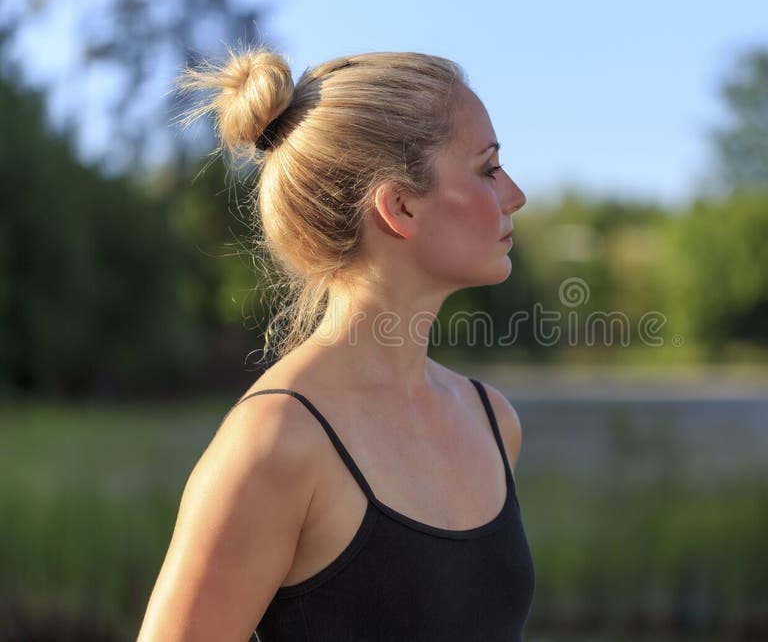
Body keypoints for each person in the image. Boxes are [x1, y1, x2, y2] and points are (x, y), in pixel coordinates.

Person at [136, 46, 533, 641]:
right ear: (400, 206)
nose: (515, 195)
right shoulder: (274, 444)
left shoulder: (492, 422)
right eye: (487, 169)